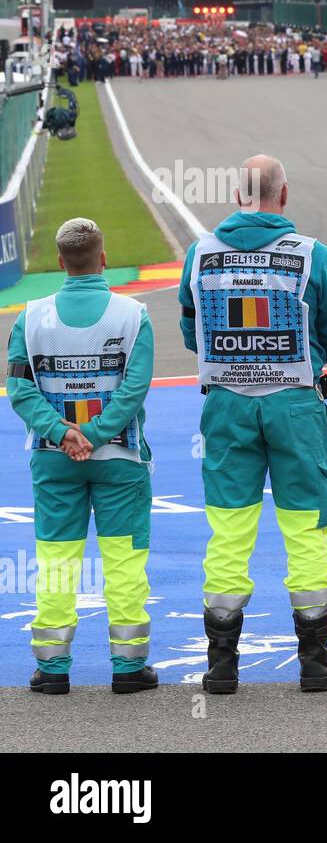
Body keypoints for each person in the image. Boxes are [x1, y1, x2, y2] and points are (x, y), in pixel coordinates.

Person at [179, 154, 327, 695]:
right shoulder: (311, 254)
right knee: (305, 530)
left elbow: (192, 332)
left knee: (229, 532)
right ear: (284, 196)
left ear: (237, 197)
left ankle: (222, 667)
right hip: (295, 404)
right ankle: (315, 664)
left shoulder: (200, 253)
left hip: (226, 403)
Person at [7, 219, 156, 695]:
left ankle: (52, 671)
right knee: (125, 562)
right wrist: (93, 434)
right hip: (119, 458)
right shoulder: (134, 315)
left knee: (56, 561)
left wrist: (62, 433)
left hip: (54, 459)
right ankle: (128, 669)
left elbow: (19, 389)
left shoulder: (29, 317)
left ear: (59, 263)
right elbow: (133, 390)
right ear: (104, 258)